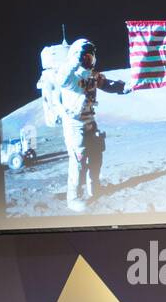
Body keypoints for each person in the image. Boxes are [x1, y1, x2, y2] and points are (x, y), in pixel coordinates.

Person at [53, 38, 133, 212]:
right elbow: (61, 80)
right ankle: (73, 197)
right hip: (74, 125)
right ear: (78, 57)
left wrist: (125, 87)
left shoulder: (92, 76)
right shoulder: (70, 77)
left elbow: (108, 85)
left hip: (90, 121)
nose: (90, 61)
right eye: (86, 57)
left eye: (91, 57)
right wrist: (74, 62)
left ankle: (94, 187)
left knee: (97, 154)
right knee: (78, 161)